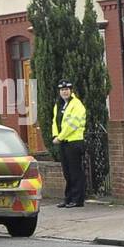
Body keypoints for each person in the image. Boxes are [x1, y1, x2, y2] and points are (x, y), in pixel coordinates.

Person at [51, 80, 87, 208]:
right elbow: (55, 122)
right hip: (63, 142)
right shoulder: (59, 105)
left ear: (71, 91)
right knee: (67, 172)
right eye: (62, 90)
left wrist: (60, 137)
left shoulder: (76, 104)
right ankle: (68, 198)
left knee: (75, 172)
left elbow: (72, 125)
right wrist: (55, 135)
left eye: (66, 89)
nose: (64, 92)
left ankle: (77, 200)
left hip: (74, 142)